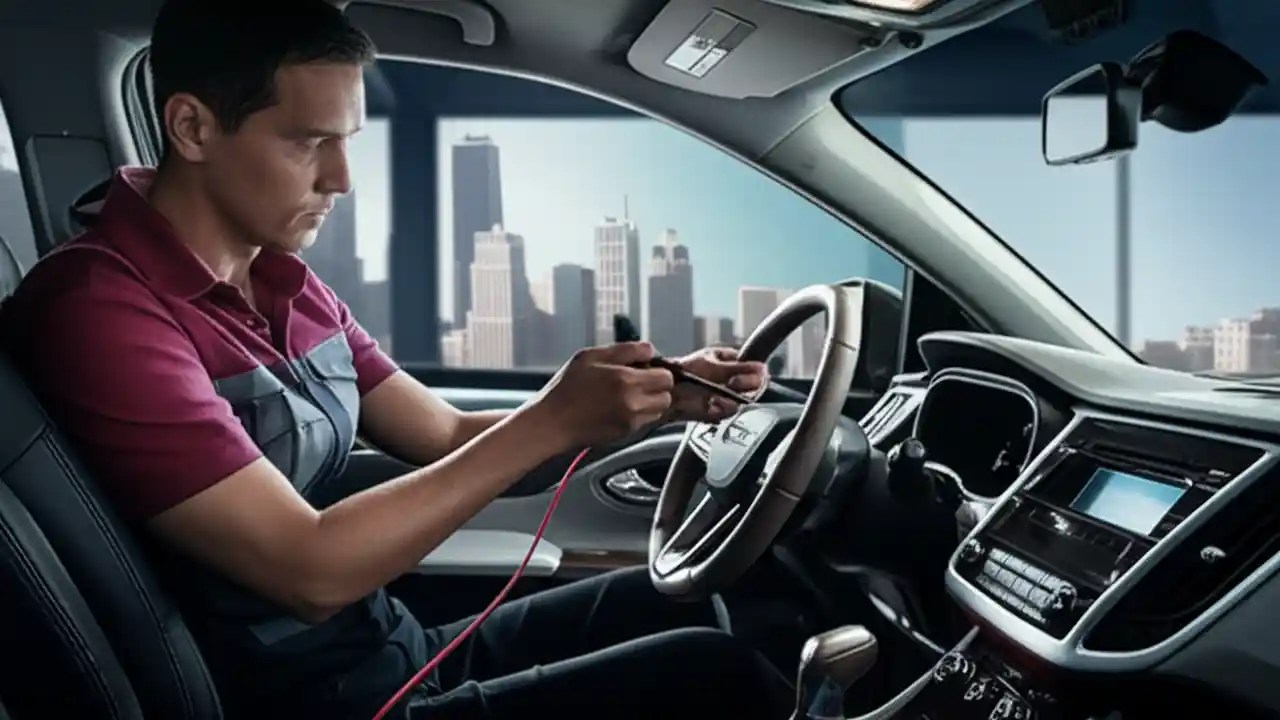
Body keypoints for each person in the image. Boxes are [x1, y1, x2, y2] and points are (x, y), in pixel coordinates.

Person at [0, 1, 796, 718]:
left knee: (700, 598)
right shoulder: (100, 312)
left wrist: (658, 397)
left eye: (346, 142)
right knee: (717, 675)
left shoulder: (286, 279)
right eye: (309, 142)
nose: (342, 179)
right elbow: (309, 571)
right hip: (306, 700)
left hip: (392, 652)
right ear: (193, 128)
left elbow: (449, 434)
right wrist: (555, 415)